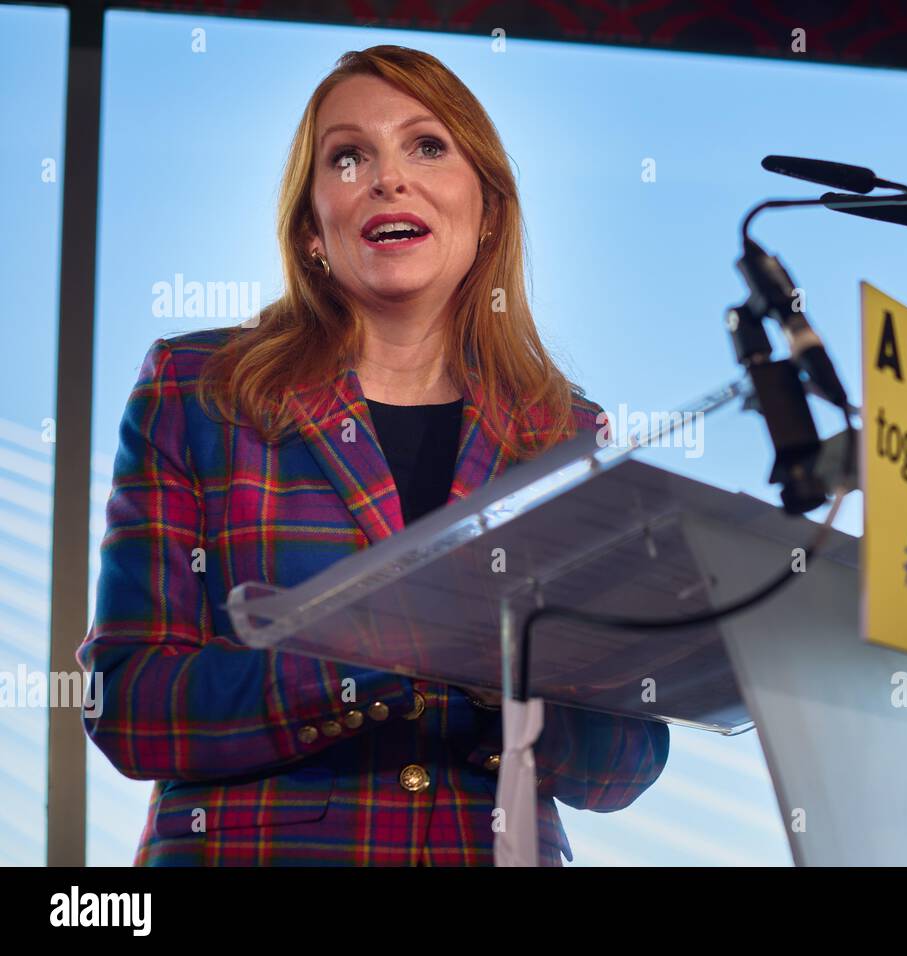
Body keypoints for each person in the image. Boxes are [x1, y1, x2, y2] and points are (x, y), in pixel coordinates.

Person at [77, 44, 669, 867]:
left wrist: (497, 681)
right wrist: (369, 658)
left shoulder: (566, 437)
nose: (389, 178)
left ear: (488, 208)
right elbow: (125, 703)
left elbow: (626, 760)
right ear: (314, 228)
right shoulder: (195, 389)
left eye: (428, 146)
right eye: (349, 157)